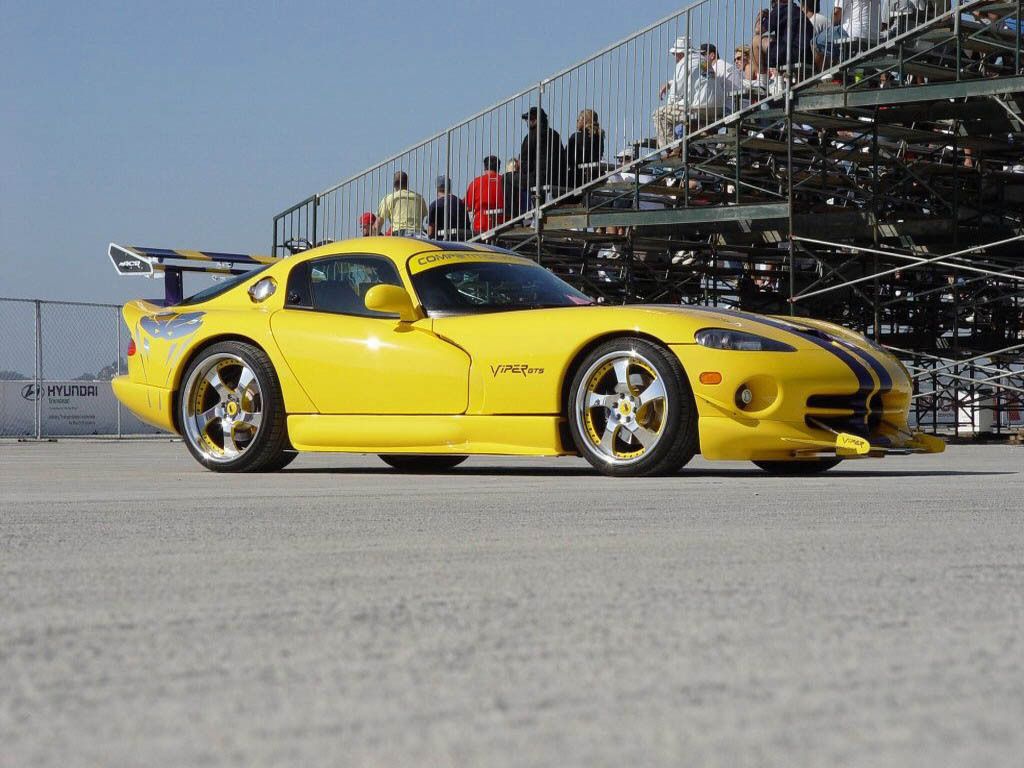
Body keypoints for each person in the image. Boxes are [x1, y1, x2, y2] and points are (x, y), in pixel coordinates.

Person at [654, 36, 729, 150]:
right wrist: (669, 83)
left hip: (699, 108)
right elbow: (694, 78)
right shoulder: (703, 60)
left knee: (659, 114)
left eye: (676, 54)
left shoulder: (684, 63)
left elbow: (674, 94)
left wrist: (670, 108)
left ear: (680, 53)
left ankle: (671, 149)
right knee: (687, 119)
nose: (675, 58)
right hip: (717, 108)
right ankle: (696, 148)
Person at [752, 0, 816, 76]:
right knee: (773, 39)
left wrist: (760, 16)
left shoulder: (781, 8)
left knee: (756, 40)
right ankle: (779, 80)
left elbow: (758, 30)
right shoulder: (797, 10)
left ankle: (762, 79)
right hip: (807, 56)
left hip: (792, 54)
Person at [815, 0, 881, 68]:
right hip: (874, 34)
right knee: (836, 45)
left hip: (853, 31)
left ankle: (823, 75)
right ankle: (835, 71)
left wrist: (832, 26)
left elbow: (836, 13)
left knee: (816, 42)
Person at [519, 107, 567, 199]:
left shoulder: (531, 136)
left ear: (535, 120)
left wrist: (522, 169)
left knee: (508, 179)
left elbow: (526, 163)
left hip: (539, 178)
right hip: (557, 177)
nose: (528, 122)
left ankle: (514, 211)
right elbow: (562, 157)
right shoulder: (555, 134)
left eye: (530, 119)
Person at [375, 171, 428, 236]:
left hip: (400, 231)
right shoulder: (419, 198)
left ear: (394, 184)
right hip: (418, 233)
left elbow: (379, 223)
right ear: (407, 183)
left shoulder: (389, 198)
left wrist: (372, 239)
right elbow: (422, 218)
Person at [565, 109, 606, 189]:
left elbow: (566, 158)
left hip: (578, 178)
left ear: (585, 120)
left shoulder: (576, 137)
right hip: (595, 176)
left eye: (579, 118)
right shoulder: (599, 137)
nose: (577, 120)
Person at [465, 156, 505, 234]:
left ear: (485, 167)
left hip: (481, 226)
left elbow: (468, 206)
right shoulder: (505, 181)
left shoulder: (476, 182)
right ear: (498, 168)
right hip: (503, 225)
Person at [426, 176, 470, 241]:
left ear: (437, 188)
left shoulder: (434, 205)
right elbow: (467, 225)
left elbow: (431, 231)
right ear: (450, 187)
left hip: (443, 244)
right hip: (461, 242)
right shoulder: (461, 203)